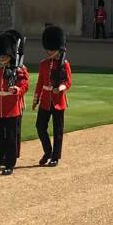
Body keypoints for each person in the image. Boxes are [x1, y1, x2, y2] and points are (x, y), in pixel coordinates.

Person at [0, 30, 28, 176]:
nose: (1, 58)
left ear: (10, 56)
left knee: (11, 139)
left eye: (4, 55)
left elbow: (25, 86)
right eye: (0, 55)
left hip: (12, 110)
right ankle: (0, 157)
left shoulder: (19, 71)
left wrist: (16, 89)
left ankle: (9, 164)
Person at [34, 24, 72, 167]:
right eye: (48, 49)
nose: (49, 52)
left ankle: (56, 156)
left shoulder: (64, 65)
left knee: (58, 130)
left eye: (52, 49)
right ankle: (48, 151)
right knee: (40, 127)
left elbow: (67, 82)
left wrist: (60, 88)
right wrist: (36, 98)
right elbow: (39, 83)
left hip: (58, 101)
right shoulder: (43, 64)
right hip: (45, 100)